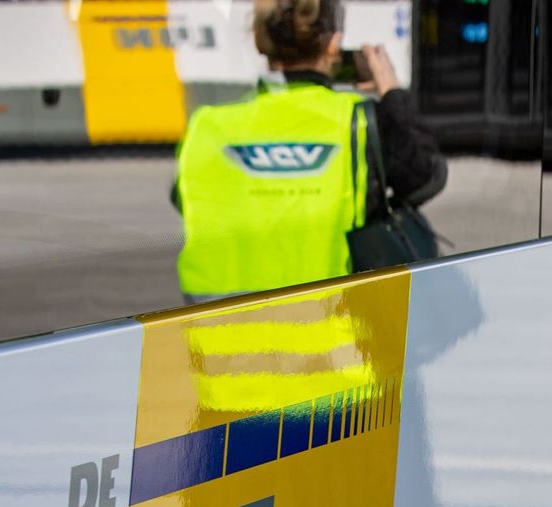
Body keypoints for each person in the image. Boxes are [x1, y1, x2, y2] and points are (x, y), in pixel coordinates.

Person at [173, 0, 447, 303]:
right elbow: (427, 176)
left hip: (211, 334)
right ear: (334, 44)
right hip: (323, 333)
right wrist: (391, 91)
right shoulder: (357, 120)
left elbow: (185, 199)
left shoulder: (208, 125)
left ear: (260, 41)